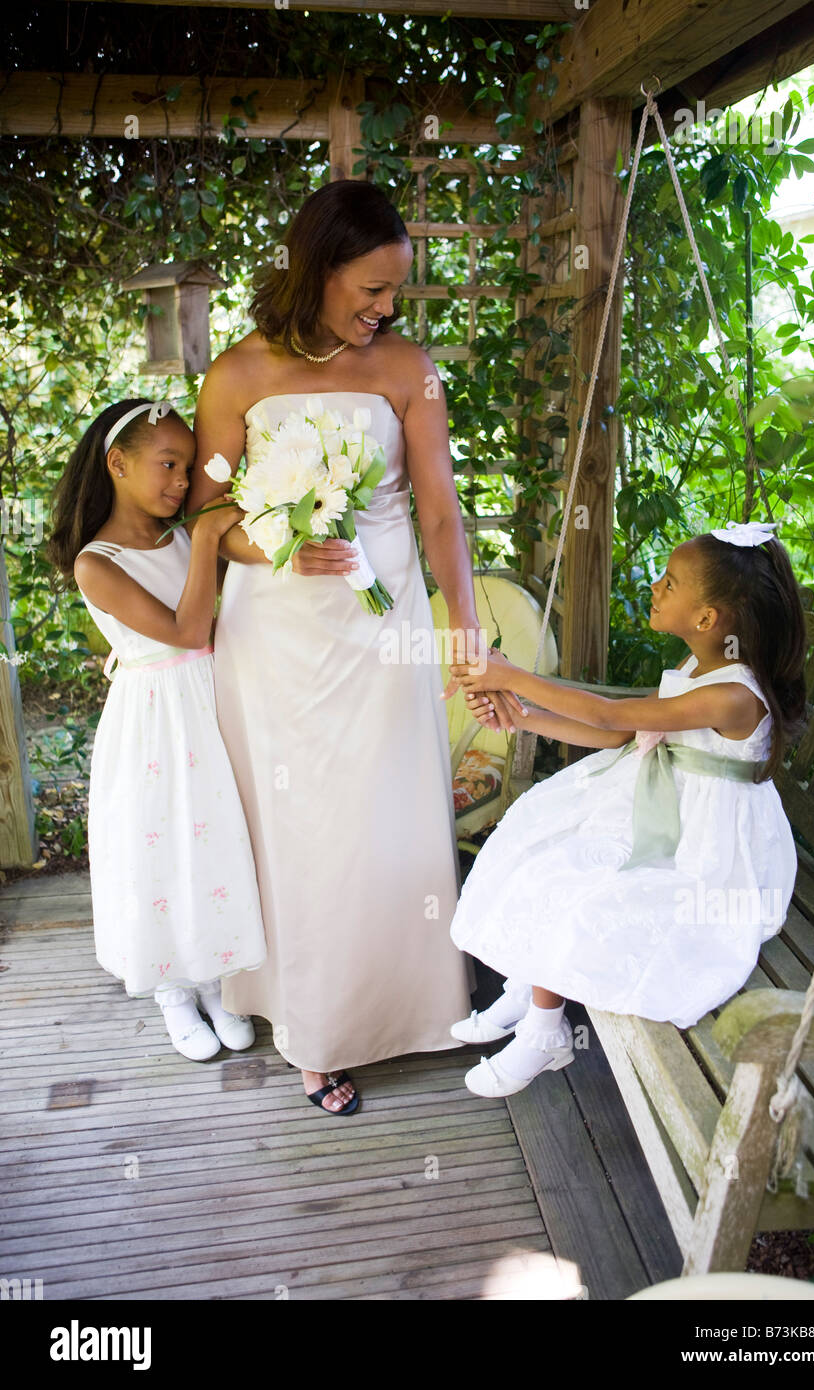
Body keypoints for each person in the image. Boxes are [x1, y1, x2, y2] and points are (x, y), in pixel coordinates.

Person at [184, 180, 509, 1115]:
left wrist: (463, 619)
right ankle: (317, 1030)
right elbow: (212, 508)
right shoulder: (237, 376)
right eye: (370, 288)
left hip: (385, 622)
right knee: (303, 829)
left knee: (388, 812)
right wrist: (274, 537)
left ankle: (409, 1008)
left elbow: (439, 507)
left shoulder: (409, 368)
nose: (386, 308)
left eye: (394, 290)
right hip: (277, 634)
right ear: (318, 270)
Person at [446, 520, 808, 1097]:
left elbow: (612, 718)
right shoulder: (699, 669)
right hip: (659, 805)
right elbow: (619, 736)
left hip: (706, 844)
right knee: (541, 843)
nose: (656, 588)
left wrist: (511, 675)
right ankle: (529, 982)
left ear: (708, 618)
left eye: (670, 582)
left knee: (583, 886)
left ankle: (547, 1034)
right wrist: (521, 714)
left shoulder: (733, 694)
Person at [47, 398, 268, 1061]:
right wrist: (204, 538)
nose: (182, 482)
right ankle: (171, 989)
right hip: (153, 718)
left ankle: (210, 973)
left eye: (189, 467)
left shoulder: (177, 536)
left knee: (211, 838)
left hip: (211, 701)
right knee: (158, 844)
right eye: (168, 465)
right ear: (118, 463)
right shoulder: (97, 562)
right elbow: (186, 629)